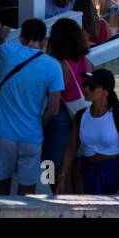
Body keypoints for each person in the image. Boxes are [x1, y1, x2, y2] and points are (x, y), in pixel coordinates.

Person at [0, 19, 64, 196]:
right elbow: (53, 110)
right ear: (45, 40)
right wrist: (39, 124)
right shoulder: (53, 66)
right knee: (28, 189)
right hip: (31, 135)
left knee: (1, 181)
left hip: (3, 132)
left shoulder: (7, 51)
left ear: (21, 38)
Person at [59, 67, 119, 196]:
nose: (86, 89)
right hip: (90, 172)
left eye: (92, 86)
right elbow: (71, 148)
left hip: (115, 173)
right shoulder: (80, 116)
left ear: (106, 91)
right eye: (85, 84)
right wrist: (63, 175)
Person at [42, 17, 93, 195]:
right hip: (82, 117)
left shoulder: (57, 65)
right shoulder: (85, 60)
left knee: (48, 164)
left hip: (61, 120)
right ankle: (79, 208)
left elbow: (52, 101)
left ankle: (58, 202)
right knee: (76, 169)